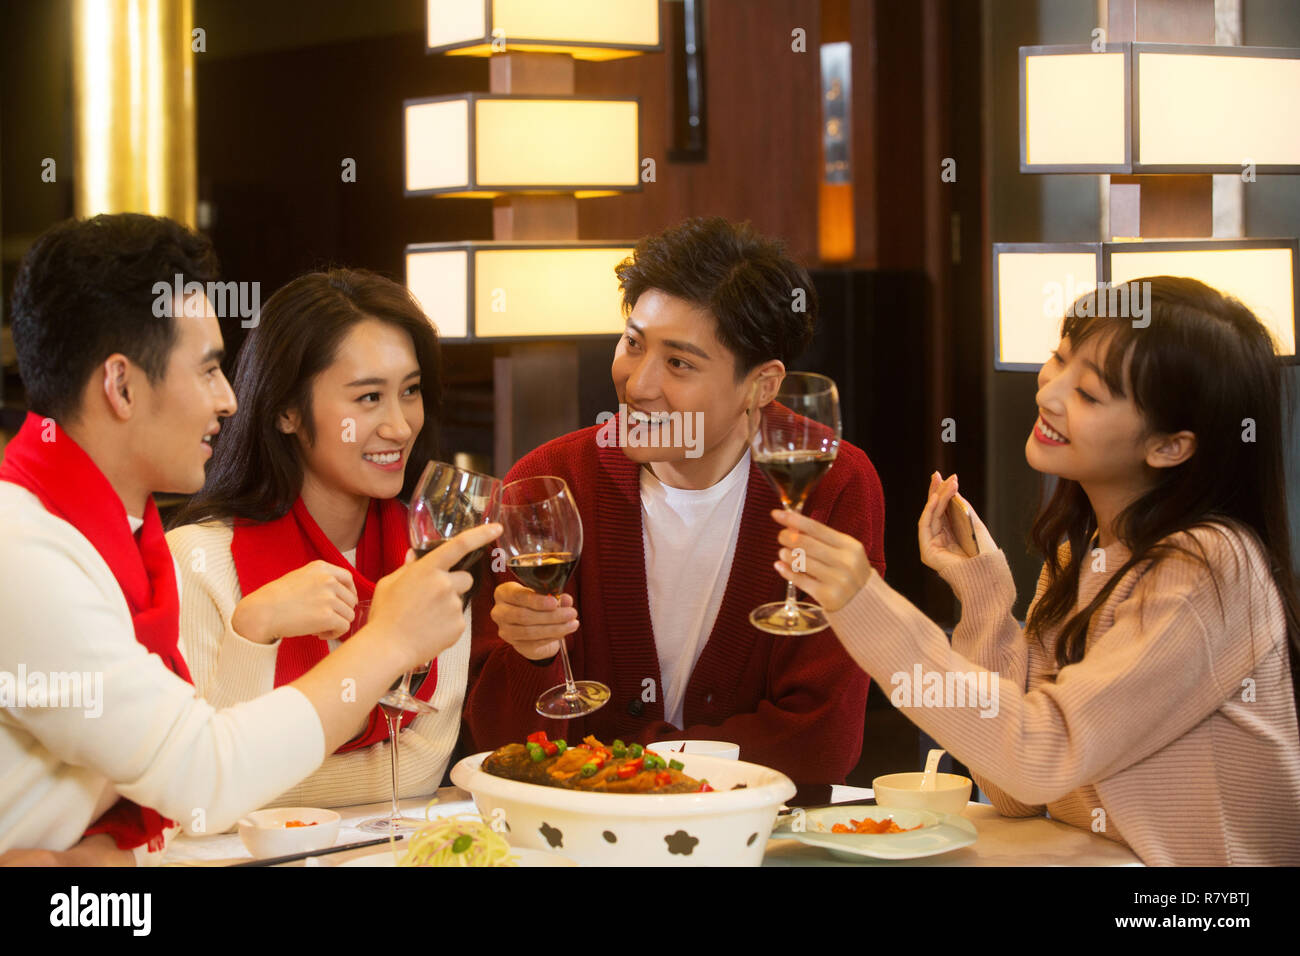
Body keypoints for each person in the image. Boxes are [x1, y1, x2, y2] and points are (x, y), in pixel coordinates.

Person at [0, 214, 498, 865]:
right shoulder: (25, 552)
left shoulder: (118, 535)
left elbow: (176, 779)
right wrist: (388, 639)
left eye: (409, 393)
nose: (230, 400)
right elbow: (201, 774)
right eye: (207, 370)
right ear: (121, 385)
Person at [767, 276, 1300, 864]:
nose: (1049, 392)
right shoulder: (1085, 554)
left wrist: (865, 603)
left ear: (1171, 446)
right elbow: (1016, 787)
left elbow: (1043, 753)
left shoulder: (1208, 567)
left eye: (1090, 394)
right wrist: (983, 596)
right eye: (1060, 358)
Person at [464, 217, 886, 785]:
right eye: (633, 344)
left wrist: (633, 759)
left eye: (679, 363)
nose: (637, 384)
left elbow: (817, 744)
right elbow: (500, 746)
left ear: (762, 385)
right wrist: (533, 659)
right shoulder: (549, 482)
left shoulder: (830, 485)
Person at [167, 268, 468, 807]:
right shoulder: (197, 560)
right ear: (286, 410)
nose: (400, 426)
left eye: (411, 391)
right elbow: (201, 788)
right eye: (369, 398)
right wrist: (252, 632)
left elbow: (422, 767)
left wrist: (263, 778)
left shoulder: (432, 552)